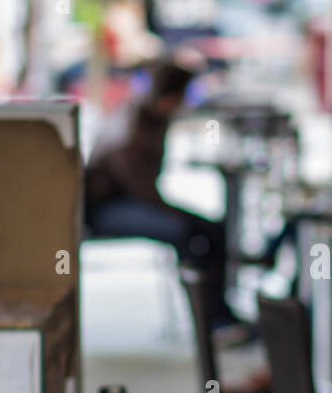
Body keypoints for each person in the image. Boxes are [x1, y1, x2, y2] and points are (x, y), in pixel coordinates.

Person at [84, 57, 240, 329]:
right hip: (105, 207)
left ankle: (218, 312)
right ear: (171, 95)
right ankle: (210, 317)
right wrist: (179, 214)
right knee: (185, 232)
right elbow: (141, 189)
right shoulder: (132, 126)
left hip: (133, 198)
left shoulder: (152, 117)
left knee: (213, 230)